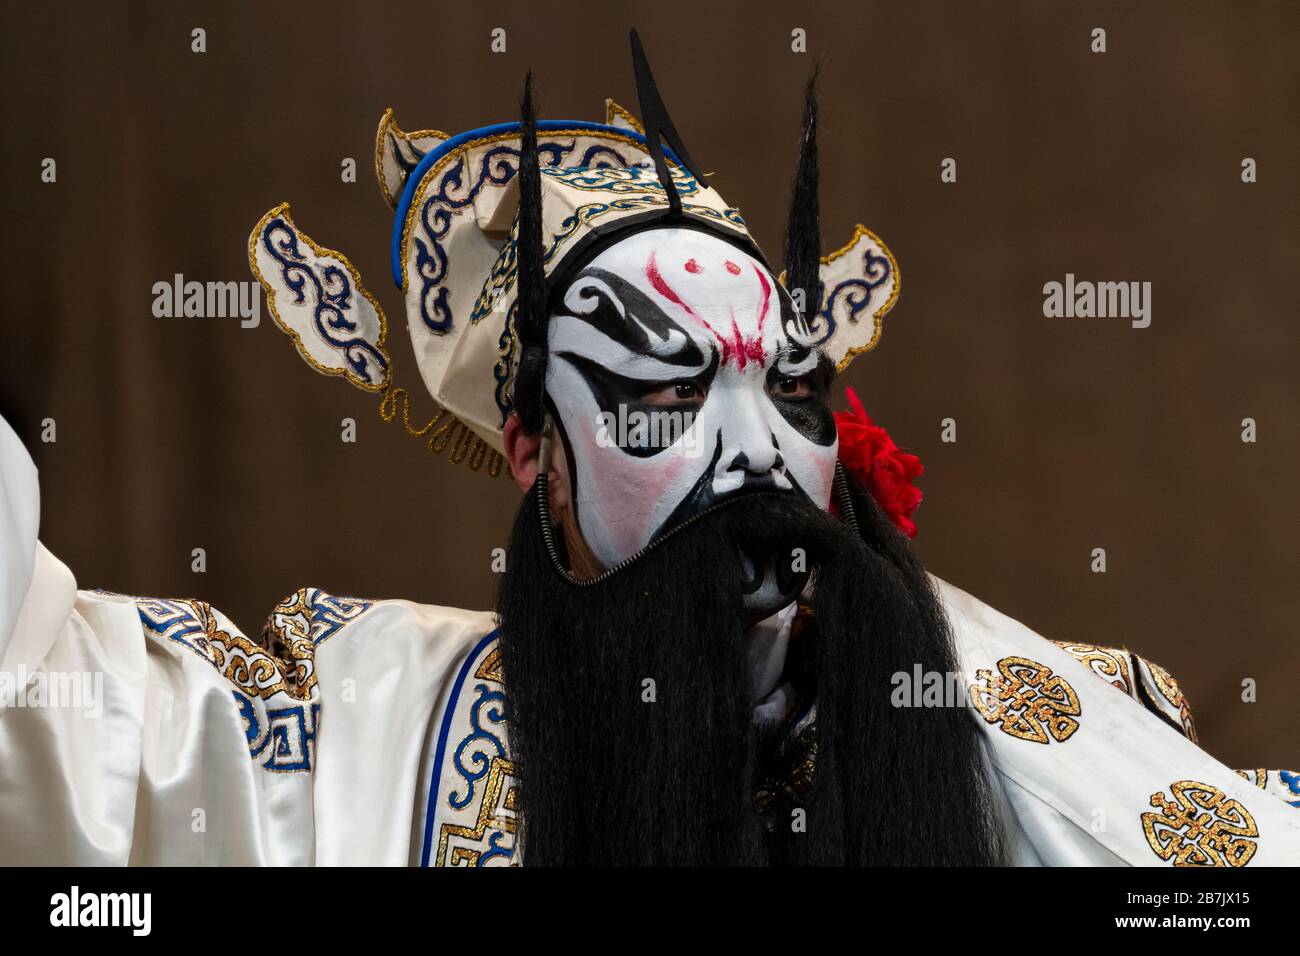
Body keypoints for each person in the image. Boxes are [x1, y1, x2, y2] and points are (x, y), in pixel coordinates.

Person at [0, 33, 1294, 866]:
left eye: (786, 388)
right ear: (532, 453)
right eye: (661, 400)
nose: (756, 465)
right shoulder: (353, 739)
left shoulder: (1057, 726)